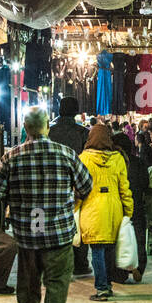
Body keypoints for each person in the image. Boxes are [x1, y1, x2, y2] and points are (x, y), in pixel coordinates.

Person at [0, 106, 93, 303]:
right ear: (46, 127)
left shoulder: (11, 157)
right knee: (56, 285)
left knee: (28, 285)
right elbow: (86, 186)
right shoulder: (66, 154)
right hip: (59, 235)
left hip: (27, 237)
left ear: (25, 128)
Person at [77, 123, 134, 302]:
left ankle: (102, 288)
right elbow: (125, 188)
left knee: (97, 251)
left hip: (92, 210)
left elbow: (79, 188)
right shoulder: (118, 158)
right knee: (109, 250)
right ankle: (107, 284)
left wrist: (74, 207)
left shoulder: (83, 158)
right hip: (113, 209)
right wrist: (128, 211)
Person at [49, 96, 91, 277]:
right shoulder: (82, 132)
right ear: (76, 111)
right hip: (75, 184)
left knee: (53, 225)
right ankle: (80, 263)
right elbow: (85, 160)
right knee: (77, 224)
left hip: (52, 185)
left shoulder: (50, 131)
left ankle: (56, 265)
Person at [110, 132, 148, 285]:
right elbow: (146, 183)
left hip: (118, 206)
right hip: (137, 204)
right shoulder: (139, 162)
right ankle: (138, 266)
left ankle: (120, 272)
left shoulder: (114, 162)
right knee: (138, 237)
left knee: (118, 239)